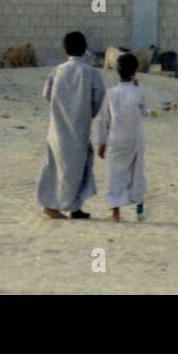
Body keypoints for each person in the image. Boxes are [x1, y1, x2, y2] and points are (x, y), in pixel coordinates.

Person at [37, 30, 106, 219]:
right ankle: (56, 206)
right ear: (84, 49)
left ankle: (71, 207)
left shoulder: (56, 71)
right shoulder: (91, 73)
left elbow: (47, 95)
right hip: (80, 128)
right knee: (78, 168)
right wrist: (86, 113)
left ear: (65, 49)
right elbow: (98, 98)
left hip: (57, 129)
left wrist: (60, 108)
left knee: (56, 167)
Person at [97, 53, 147, 222]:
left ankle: (115, 212)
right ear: (135, 71)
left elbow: (104, 119)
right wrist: (136, 86)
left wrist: (101, 142)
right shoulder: (139, 92)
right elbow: (142, 112)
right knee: (136, 173)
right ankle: (139, 209)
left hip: (116, 138)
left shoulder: (110, 93)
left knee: (114, 174)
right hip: (135, 139)